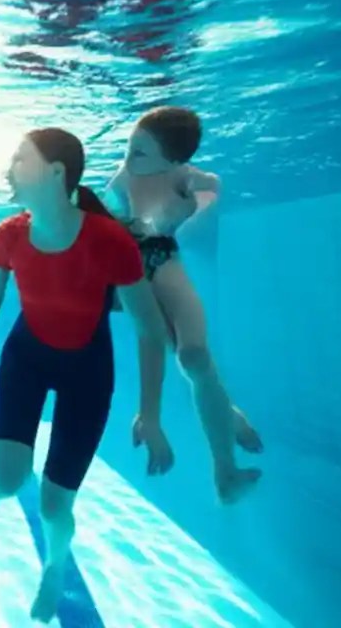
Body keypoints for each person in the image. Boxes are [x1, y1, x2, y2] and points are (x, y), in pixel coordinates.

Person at [0, 127, 173, 624]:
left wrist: (150, 414)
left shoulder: (109, 242)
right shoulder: (8, 235)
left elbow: (151, 328)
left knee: (52, 505)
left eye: (19, 159)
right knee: (4, 480)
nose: (8, 169)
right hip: (27, 357)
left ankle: (55, 568)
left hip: (86, 371)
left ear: (56, 173)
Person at [103, 106, 263, 503]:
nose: (128, 159)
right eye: (129, 148)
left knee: (193, 356)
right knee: (189, 361)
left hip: (164, 264)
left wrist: (194, 214)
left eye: (140, 153)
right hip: (131, 276)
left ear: (172, 158)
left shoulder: (186, 176)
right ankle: (227, 461)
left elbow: (210, 191)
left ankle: (225, 462)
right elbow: (107, 219)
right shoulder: (123, 177)